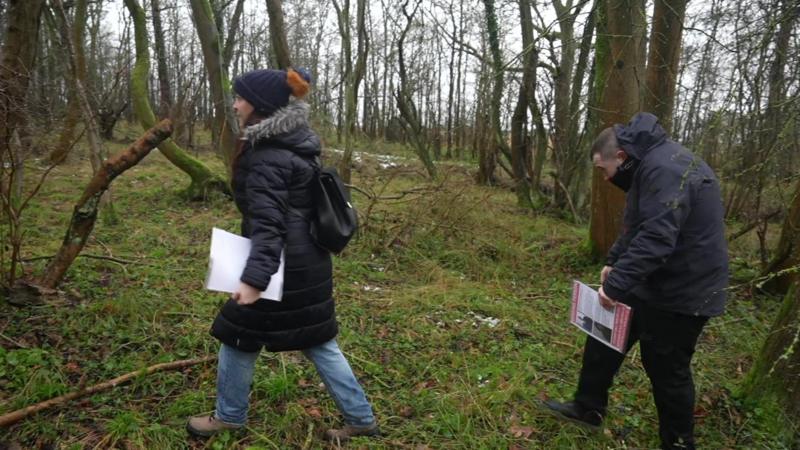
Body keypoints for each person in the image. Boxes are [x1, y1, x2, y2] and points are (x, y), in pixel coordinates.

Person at [187, 68, 379, 443]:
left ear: (258, 104)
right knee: (317, 339)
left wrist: (255, 279)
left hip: (282, 265)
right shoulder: (296, 141)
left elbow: (269, 224)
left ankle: (229, 417)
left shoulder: (267, 155)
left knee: (238, 334)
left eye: (240, 97)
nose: (235, 103)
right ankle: (361, 418)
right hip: (308, 261)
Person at [544, 112, 728, 450]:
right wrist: (614, 264)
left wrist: (615, 286)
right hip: (654, 278)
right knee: (603, 335)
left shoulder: (667, 168)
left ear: (621, 157)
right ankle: (587, 408)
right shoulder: (649, 167)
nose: (604, 178)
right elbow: (637, 225)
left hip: (685, 290)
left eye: (603, 170)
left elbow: (657, 238)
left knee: (666, 366)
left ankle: (678, 442)